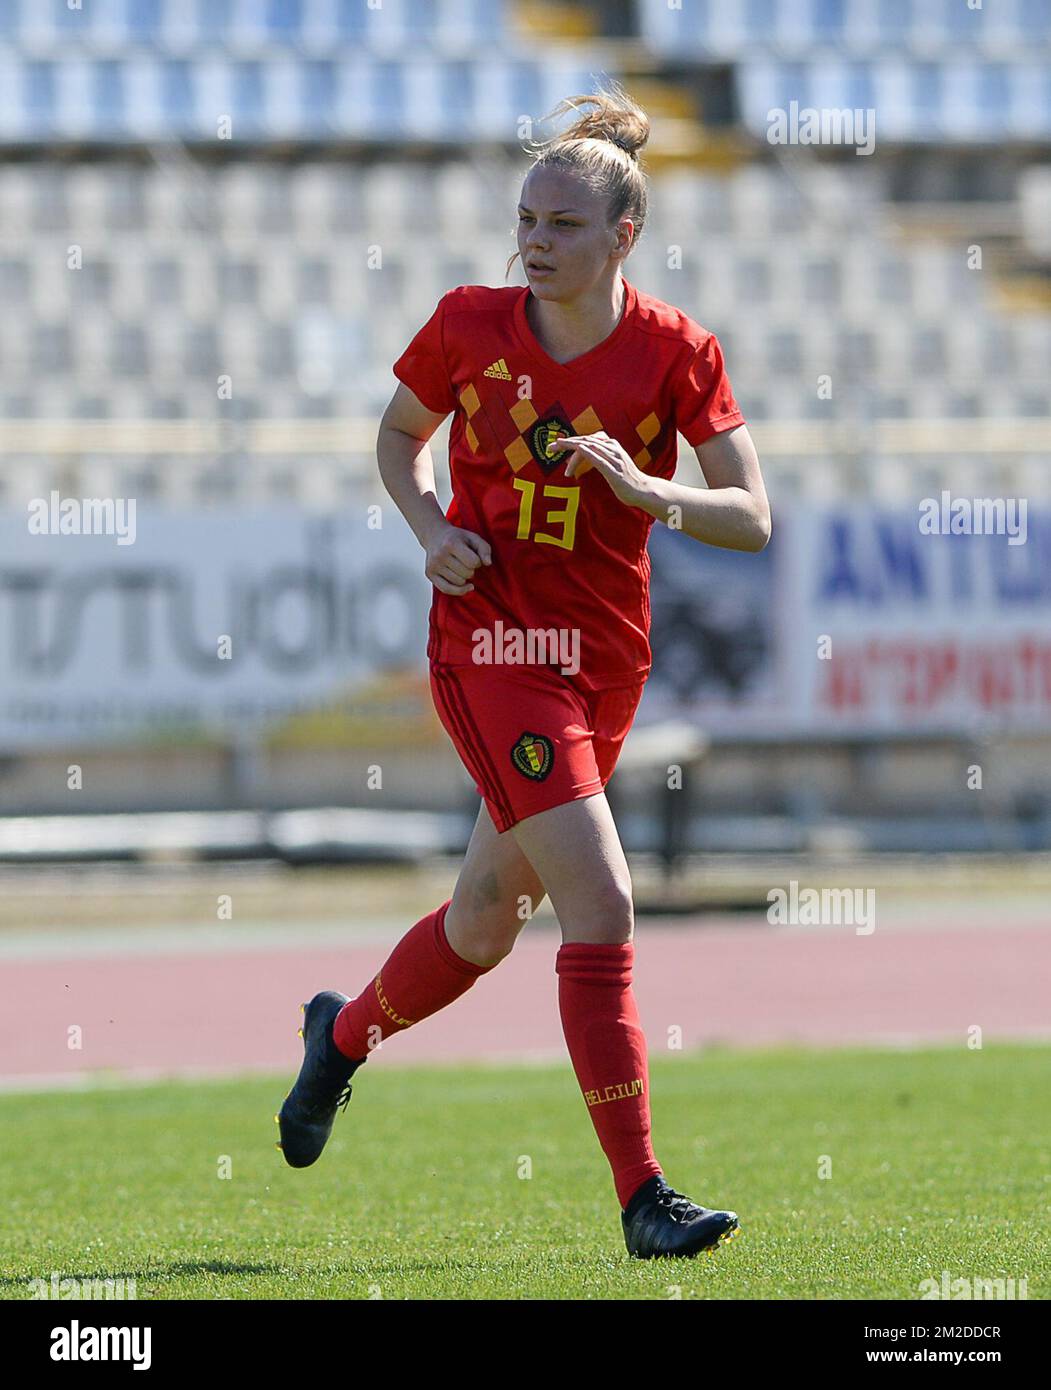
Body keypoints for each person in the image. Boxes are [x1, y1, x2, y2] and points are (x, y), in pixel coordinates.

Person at [277, 81, 771, 1260]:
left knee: (488, 917)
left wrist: (657, 495)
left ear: (622, 237)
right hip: (493, 649)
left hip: (605, 656)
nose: (534, 243)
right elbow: (398, 438)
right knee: (600, 902)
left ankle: (339, 1037)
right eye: (526, 220)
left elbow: (751, 515)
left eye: (560, 224)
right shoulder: (466, 325)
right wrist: (427, 526)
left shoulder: (674, 352)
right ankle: (643, 1195)